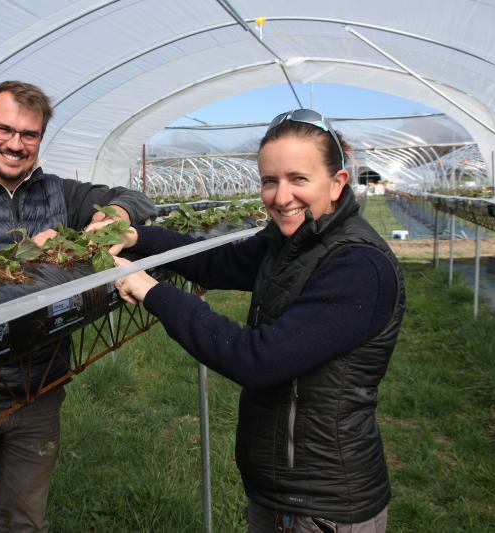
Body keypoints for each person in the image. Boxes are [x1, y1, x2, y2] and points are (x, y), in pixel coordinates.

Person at [98, 109, 405, 532]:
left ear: (337, 184)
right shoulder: (291, 243)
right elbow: (216, 262)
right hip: (282, 488)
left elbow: (257, 359)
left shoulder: (357, 266)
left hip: (323, 506)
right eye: (269, 181)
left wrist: (152, 291)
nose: (281, 197)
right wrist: (138, 238)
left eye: (299, 179)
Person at [0, 80, 155, 533]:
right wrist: (24, 257)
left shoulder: (59, 193)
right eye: (3, 129)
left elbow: (139, 199)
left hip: (41, 384)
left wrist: (117, 215)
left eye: (29, 135)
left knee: (26, 519)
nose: (15, 144)